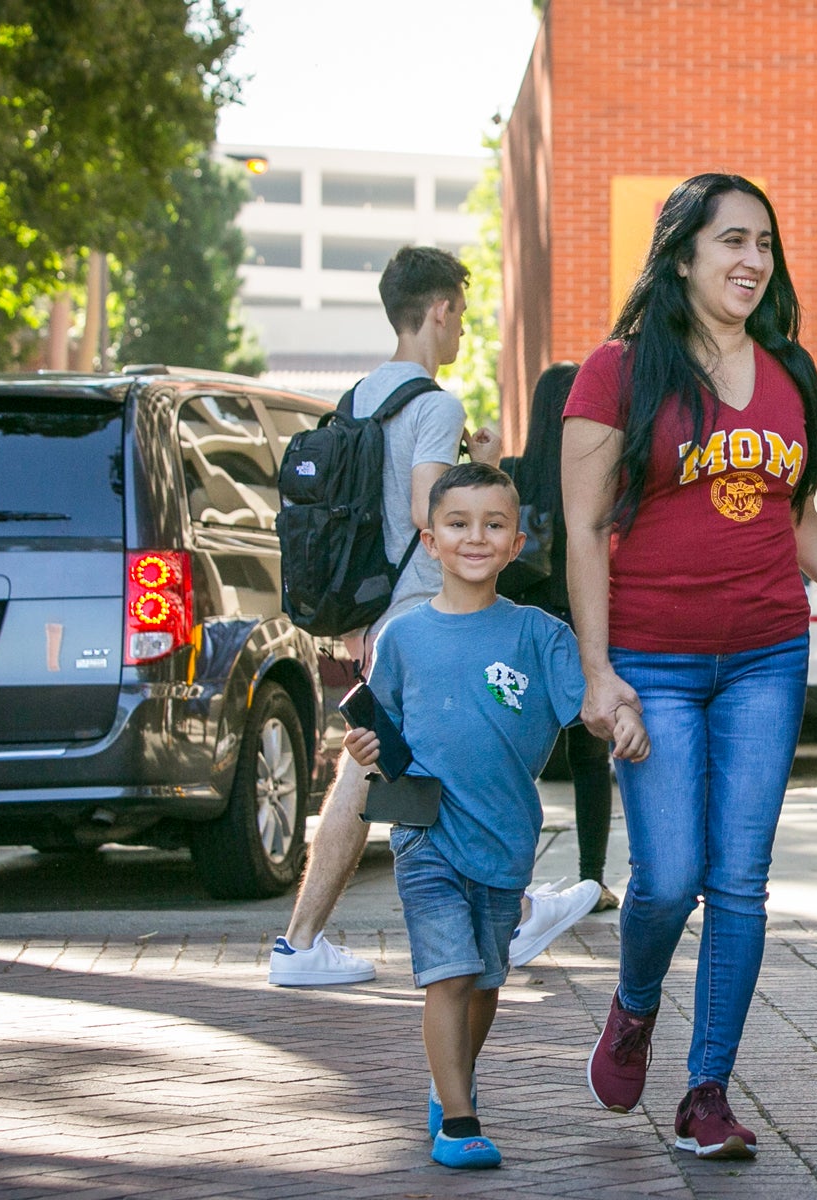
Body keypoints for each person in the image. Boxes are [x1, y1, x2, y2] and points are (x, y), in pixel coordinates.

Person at [563, 173, 817, 1160]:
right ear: (683, 253)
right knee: (667, 877)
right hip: (651, 657)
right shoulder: (618, 371)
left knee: (740, 883)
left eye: (765, 245)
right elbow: (579, 529)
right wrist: (598, 671)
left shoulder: (788, 372)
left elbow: (793, 519)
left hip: (766, 654)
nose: (752, 262)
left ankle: (708, 1090)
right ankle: (633, 1003)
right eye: (731, 242)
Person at [268, 247, 595, 987]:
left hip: (368, 609)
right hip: (418, 607)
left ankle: (498, 912)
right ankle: (303, 941)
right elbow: (424, 508)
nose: (461, 334)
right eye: (462, 316)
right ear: (440, 310)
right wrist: (483, 467)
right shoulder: (433, 401)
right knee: (390, 764)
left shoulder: (358, 395)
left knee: (409, 759)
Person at [342, 461, 648, 1170]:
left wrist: (624, 720)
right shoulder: (403, 638)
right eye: (458, 523)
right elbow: (381, 729)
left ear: (517, 544)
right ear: (430, 541)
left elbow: (592, 706)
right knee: (448, 974)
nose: (475, 537)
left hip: (506, 839)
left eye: (493, 524)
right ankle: (458, 1117)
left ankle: (450, 1076)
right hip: (425, 832)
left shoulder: (539, 636)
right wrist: (367, 748)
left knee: (484, 980)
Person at [499, 363, 620, 910]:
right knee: (591, 762)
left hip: (521, 631)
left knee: (516, 762)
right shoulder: (596, 476)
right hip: (582, 626)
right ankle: (591, 879)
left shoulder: (510, 475)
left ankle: (511, 880)